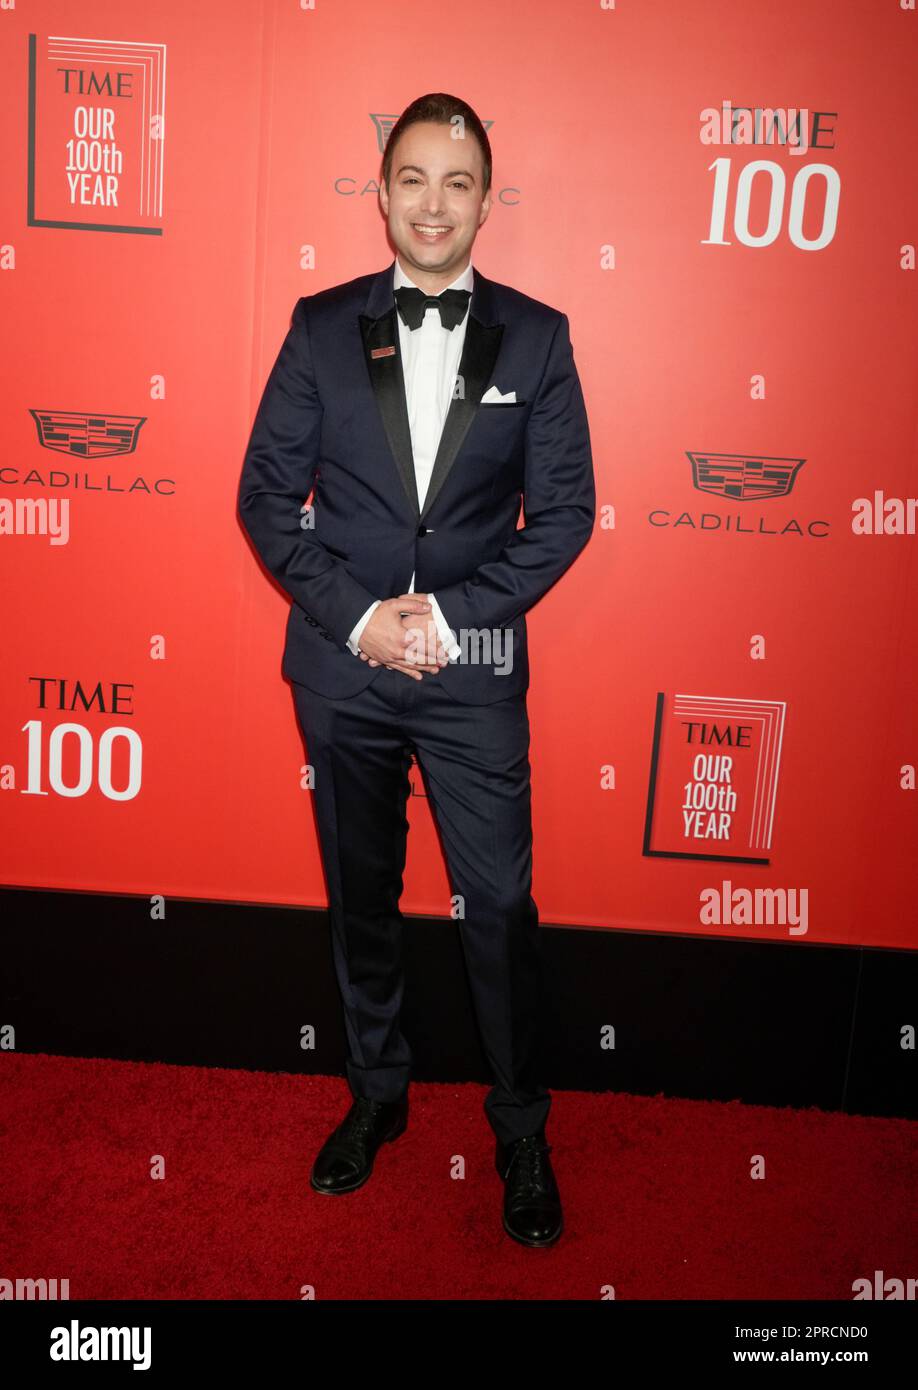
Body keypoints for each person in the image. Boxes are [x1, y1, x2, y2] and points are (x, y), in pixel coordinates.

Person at [238, 92, 595, 1247]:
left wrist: (441, 618)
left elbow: (566, 516)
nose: (433, 202)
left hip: (474, 665)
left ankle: (520, 1130)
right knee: (364, 902)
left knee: (497, 904)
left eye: (457, 181)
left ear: (487, 199)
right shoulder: (317, 325)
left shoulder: (538, 337)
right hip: (344, 672)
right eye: (412, 178)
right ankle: (378, 1098)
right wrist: (359, 621)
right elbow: (265, 501)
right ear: (380, 190)